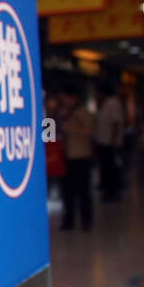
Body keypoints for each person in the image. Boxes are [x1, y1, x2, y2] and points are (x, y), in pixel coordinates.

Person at [57, 84, 96, 230]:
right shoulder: (60, 114)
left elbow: (91, 131)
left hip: (81, 157)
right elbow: (49, 131)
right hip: (65, 157)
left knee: (83, 191)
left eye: (66, 98)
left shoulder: (84, 113)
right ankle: (68, 221)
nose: (65, 101)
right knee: (67, 191)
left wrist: (73, 129)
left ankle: (86, 221)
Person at [94, 82, 125, 202]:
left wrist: (113, 141)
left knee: (111, 168)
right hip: (103, 141)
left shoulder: (112, 103)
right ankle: (107, 189)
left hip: (110, 142)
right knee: (106, 167)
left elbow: (116, 123)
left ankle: (112, 192)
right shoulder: (103, 104)